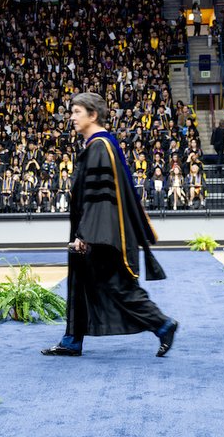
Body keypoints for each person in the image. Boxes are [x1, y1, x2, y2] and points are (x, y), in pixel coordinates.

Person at [42, 92, 178, 358]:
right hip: (99, 230)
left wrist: (85, 234)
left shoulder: (99, 147)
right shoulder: (101, 145)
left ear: (93, 115)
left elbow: (100, 197)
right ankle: (72, 339)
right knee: (81, 282)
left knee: (117, 284)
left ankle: (162, 324)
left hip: (101, 233)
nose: (71, 117)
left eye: (77, 112)